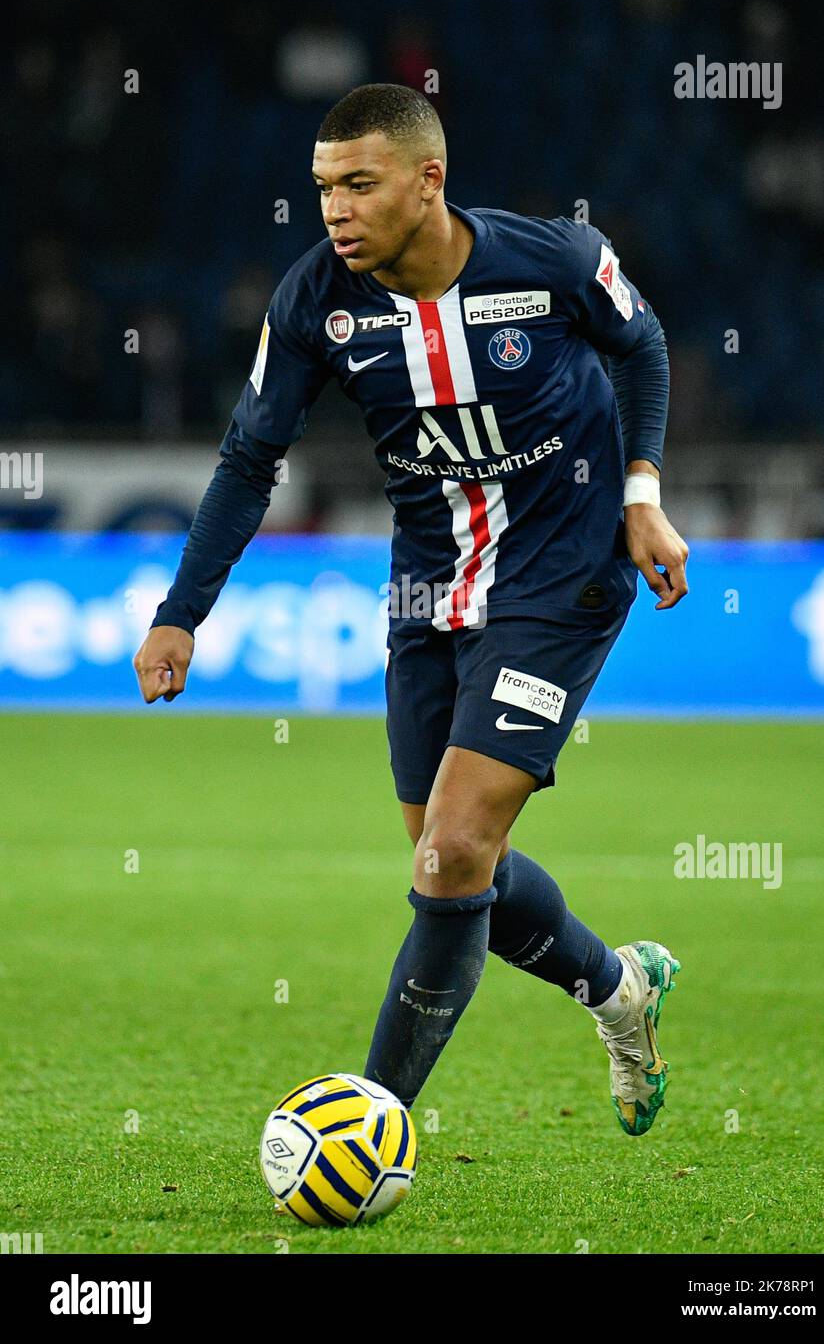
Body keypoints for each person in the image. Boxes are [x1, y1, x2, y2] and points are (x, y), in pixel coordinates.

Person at [134, 83, 689, 1137]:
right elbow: (251, 457)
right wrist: (181, 612)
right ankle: (617, 988)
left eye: (357, 184)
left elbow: (642, 343)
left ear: (427, 181)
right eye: (320, 189)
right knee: (448, 857)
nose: (333, 209)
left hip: (561, 576)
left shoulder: (554, 260)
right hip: (428, 588)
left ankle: (369, 1119)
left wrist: (642, 496)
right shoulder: (314, 304)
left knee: (450, 852)